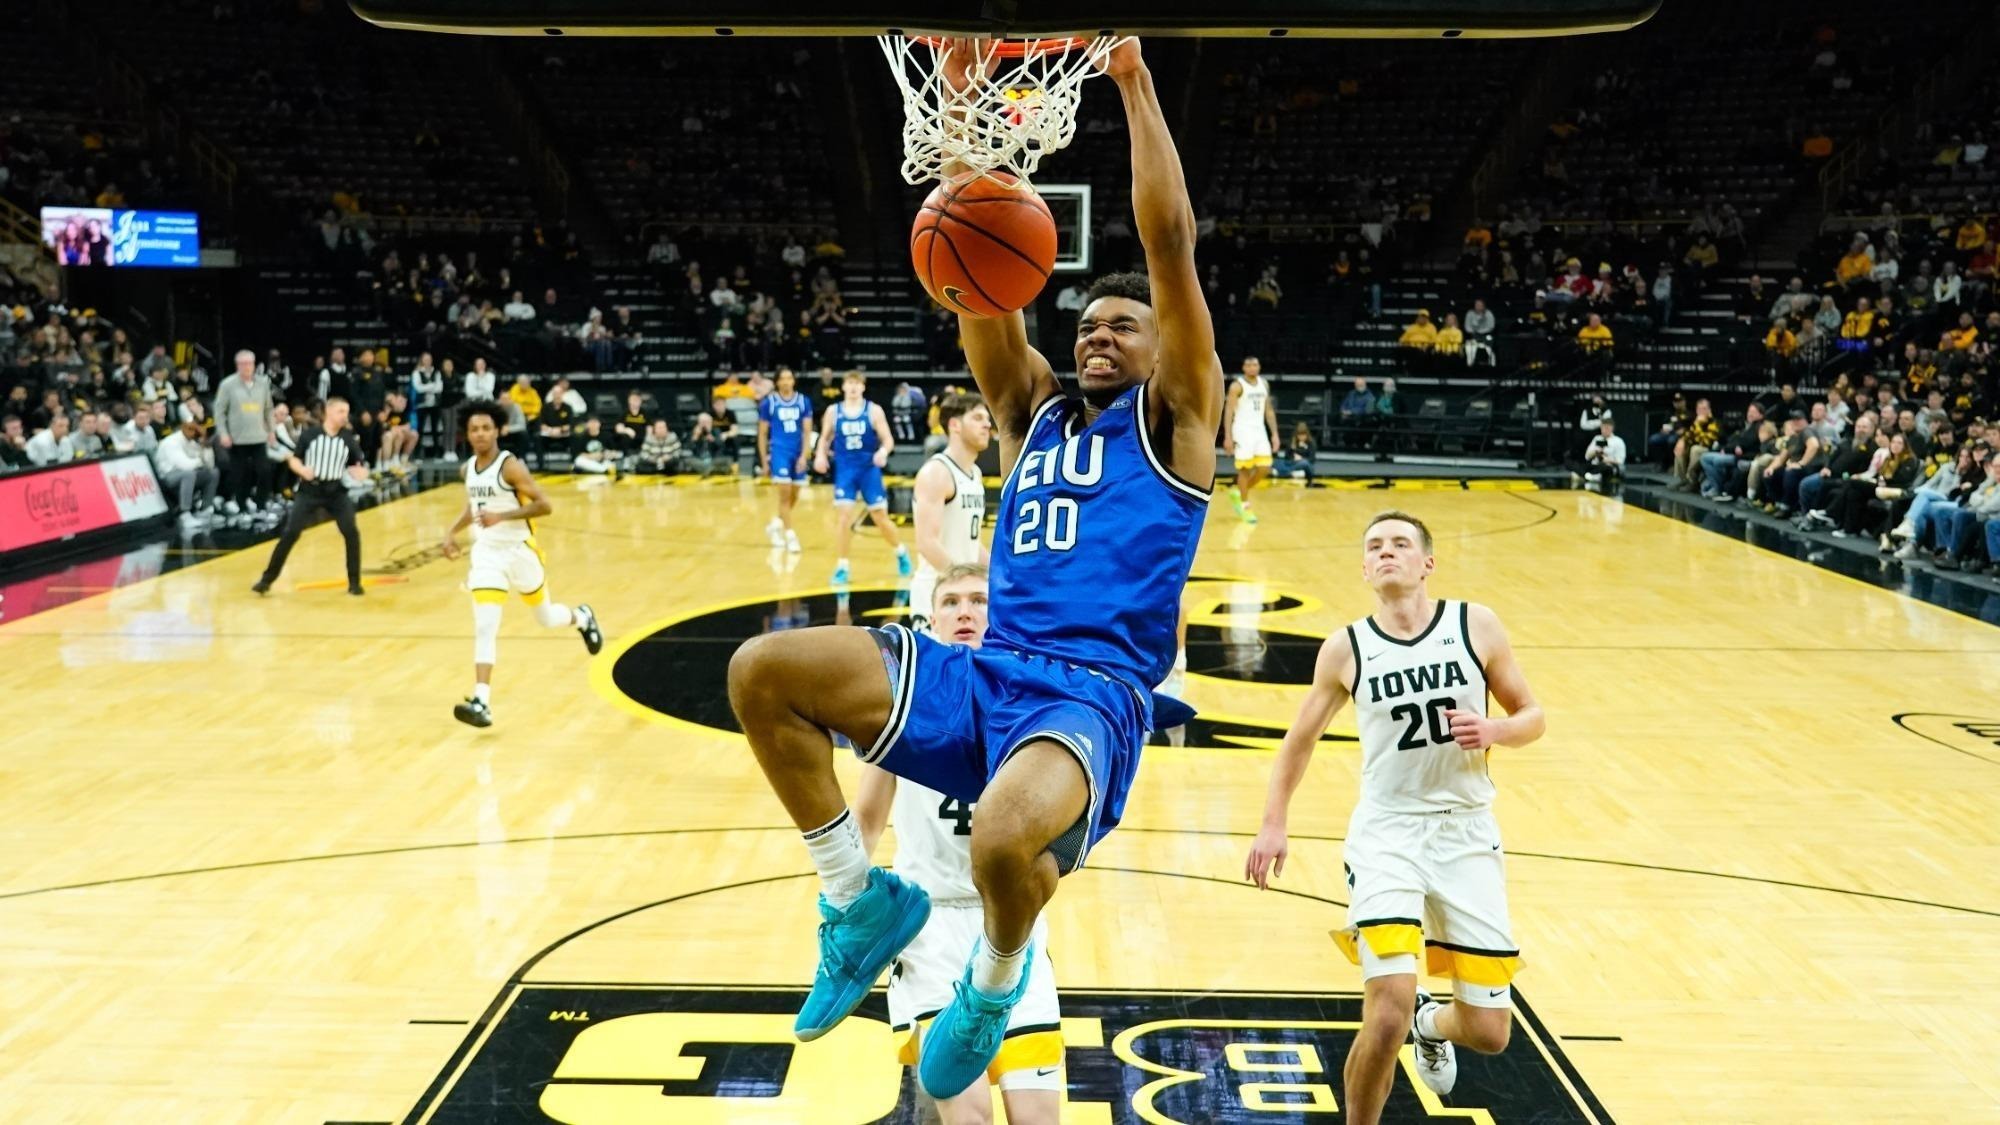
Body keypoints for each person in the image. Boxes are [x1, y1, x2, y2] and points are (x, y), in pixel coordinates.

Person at [725, 36, 1215, 1101]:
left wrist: (1129, 81)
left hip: (1090, 697)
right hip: (987, 670)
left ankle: (991, 983)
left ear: (1158, 349)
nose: (1096, 336)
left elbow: (1168, 243)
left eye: (1121, 327)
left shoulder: (1176, 421)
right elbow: (978, 290)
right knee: (763, 673)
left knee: (1000, 835)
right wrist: (956, 98)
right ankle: (858, 902)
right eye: (1084, 323)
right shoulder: (1027, 413)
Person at [1245, 511, 1544, 1124]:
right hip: (1387, 835)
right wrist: (1274, 822)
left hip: (1466, 834)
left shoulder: (1475, 625)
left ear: (1427, 562)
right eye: (1374, 546)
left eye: (1400, 544)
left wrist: (1496, 729)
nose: (1386, 552)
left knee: (1490, 1033)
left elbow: (1533, 715)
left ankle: (1430, 1024)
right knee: (1384, 1010)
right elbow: (1299, 739)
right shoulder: (1346, 647)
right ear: (1363, 568)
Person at [852, 564, 1063, 1125]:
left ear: (1000, 615)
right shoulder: (902, 710)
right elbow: (866, 822)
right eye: (951, 601)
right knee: (968, 1117)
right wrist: (851, 906)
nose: (965, 610)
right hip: (933, 932)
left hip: (1012, 928)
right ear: (932, 618)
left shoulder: (1037, 701)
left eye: (977, 600)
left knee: (1039, 1120)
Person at [440, 401, 604, 728]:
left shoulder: (510, 467)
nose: (480, 433)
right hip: (487, 554)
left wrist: (502, 516)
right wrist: (450, 533)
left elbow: (545, 506)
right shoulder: (468, 468)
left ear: (498, 430)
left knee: (545, 617)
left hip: (520, 551)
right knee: (485, 625)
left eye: (486, 428)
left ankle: (581, 617)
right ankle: (481, 700)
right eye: (474, 429)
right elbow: (473, 505)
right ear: (467, 434)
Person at [253, 397, 370, 597]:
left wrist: (361, 473)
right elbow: (294, 460)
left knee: (351, 533)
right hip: (310, 490)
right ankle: (266, 580)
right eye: (341, 411)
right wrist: (302, 470)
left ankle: (354, 583)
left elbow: (359, 464)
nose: (345, 416)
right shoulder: (311, 435)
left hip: (336, 492)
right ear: (329, 412)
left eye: (346, 412)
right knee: (291, 533)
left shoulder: (348, 437)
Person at [812, 370, 910, 584]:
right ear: (843, 387)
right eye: (850, 383)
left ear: (863, 387)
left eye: (857, 383)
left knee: (880, 519)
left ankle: (900, 551)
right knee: (844, 518)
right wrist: (820, 455)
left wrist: (882, 452)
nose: (854, 387)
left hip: (868, 469)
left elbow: (888, 440)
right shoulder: (833, 411)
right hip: (845, 470)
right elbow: (825, 438)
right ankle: (842, 566)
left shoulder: (873, 410)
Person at [908, 393, 992, 631]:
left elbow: (970, 542)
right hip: (936, 598)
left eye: (987, 418)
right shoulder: (936, 472)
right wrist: (964, 582)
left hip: (962, 595)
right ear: (955, 425)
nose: (987, 424)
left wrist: (1000, 574)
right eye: (977, 418)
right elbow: (927, 543)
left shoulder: (974, 473)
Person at [213, 349, 278, 521]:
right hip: (237, 438)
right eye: (243, 364)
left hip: (258, 436)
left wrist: (272, 430)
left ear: (254, 364)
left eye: (249, 363)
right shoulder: (227, 385)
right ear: (237, 365)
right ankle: (242, 508)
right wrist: (223, 433)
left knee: (264, 470)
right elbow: (219, 412)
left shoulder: (263, 383)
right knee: (240, 474)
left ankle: (261, 505)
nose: (247, 367)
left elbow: (268, 408)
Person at [759, 367, 815, 554]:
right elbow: (762, 434)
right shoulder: (769, 403)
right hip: (779, 452)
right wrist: (765, 461)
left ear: (793, 381)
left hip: (797, 452)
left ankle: (775, 524)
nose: (786, 381)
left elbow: (807, 431)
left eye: (789, 378)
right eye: (782, 378)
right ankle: (790, 536)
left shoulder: (803, 401)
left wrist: (804, 454)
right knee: (784, 494)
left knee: (795, 495)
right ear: (777, 382)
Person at [1223, 355, 1277, 524]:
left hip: (1259, 431)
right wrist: (1228, 436)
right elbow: (1229, 411)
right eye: (1249, 365)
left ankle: (1239, 492)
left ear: (1259, 367)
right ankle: (1245, 506)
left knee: (1265, 468)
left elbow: (1268, 410)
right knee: (1245, 470)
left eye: (1255, 364)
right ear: (1244, 368)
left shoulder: (1264, 384)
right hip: (1242, 431)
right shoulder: (1237, 386)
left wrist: (1274, 434)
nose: (1252, 367)